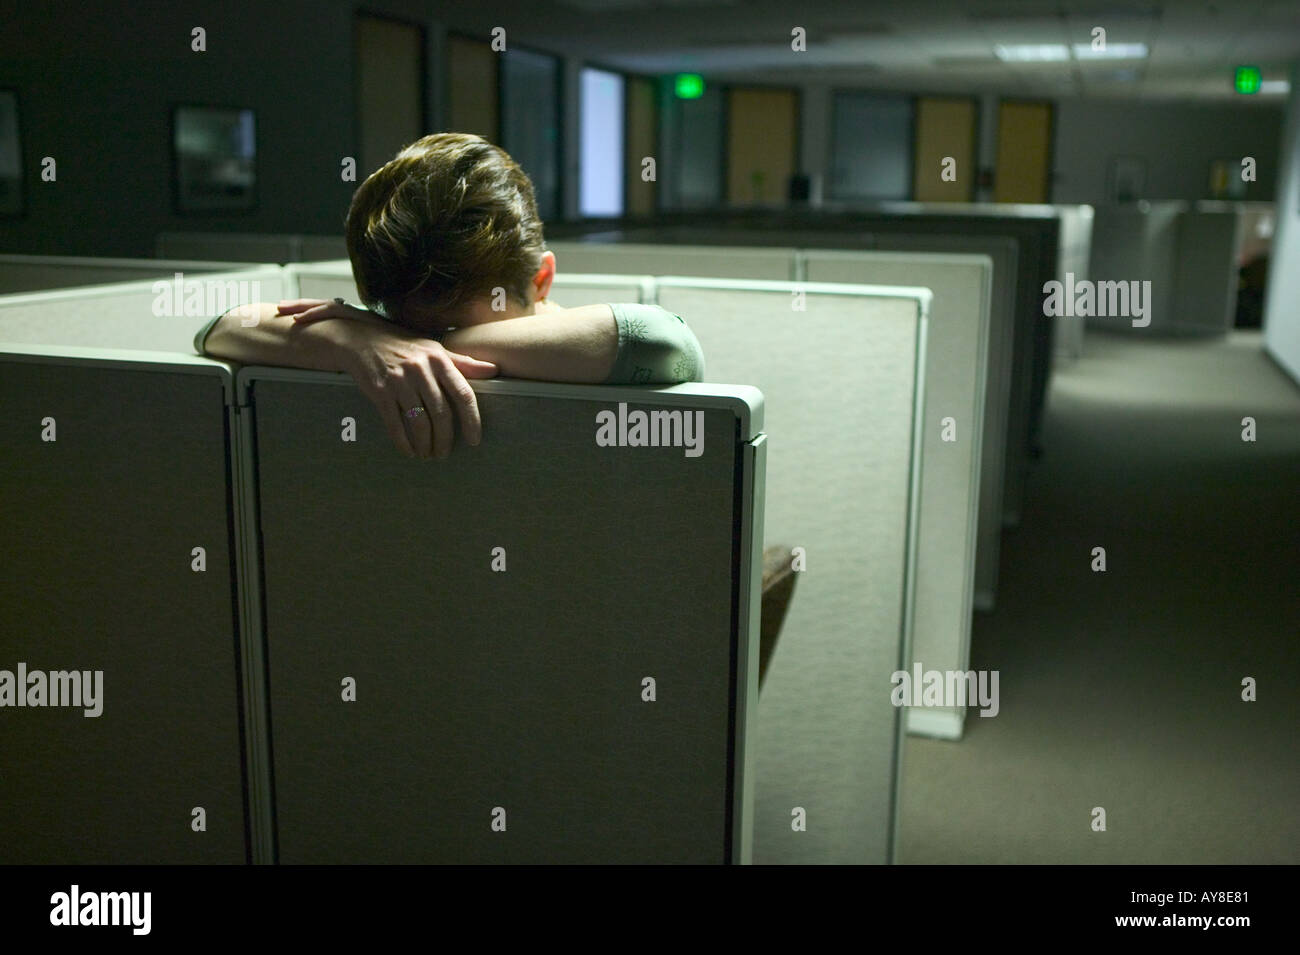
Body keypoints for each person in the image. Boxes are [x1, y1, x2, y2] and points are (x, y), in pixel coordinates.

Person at [195, 132, 704, 459]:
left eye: (451, 332)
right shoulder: (377, 352)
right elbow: (222, 327)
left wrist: (406, 337)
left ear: (542, 281)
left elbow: (666, 342)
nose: (422, 354)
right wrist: (350, 339)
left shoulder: (607, 359)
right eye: (409, 328)